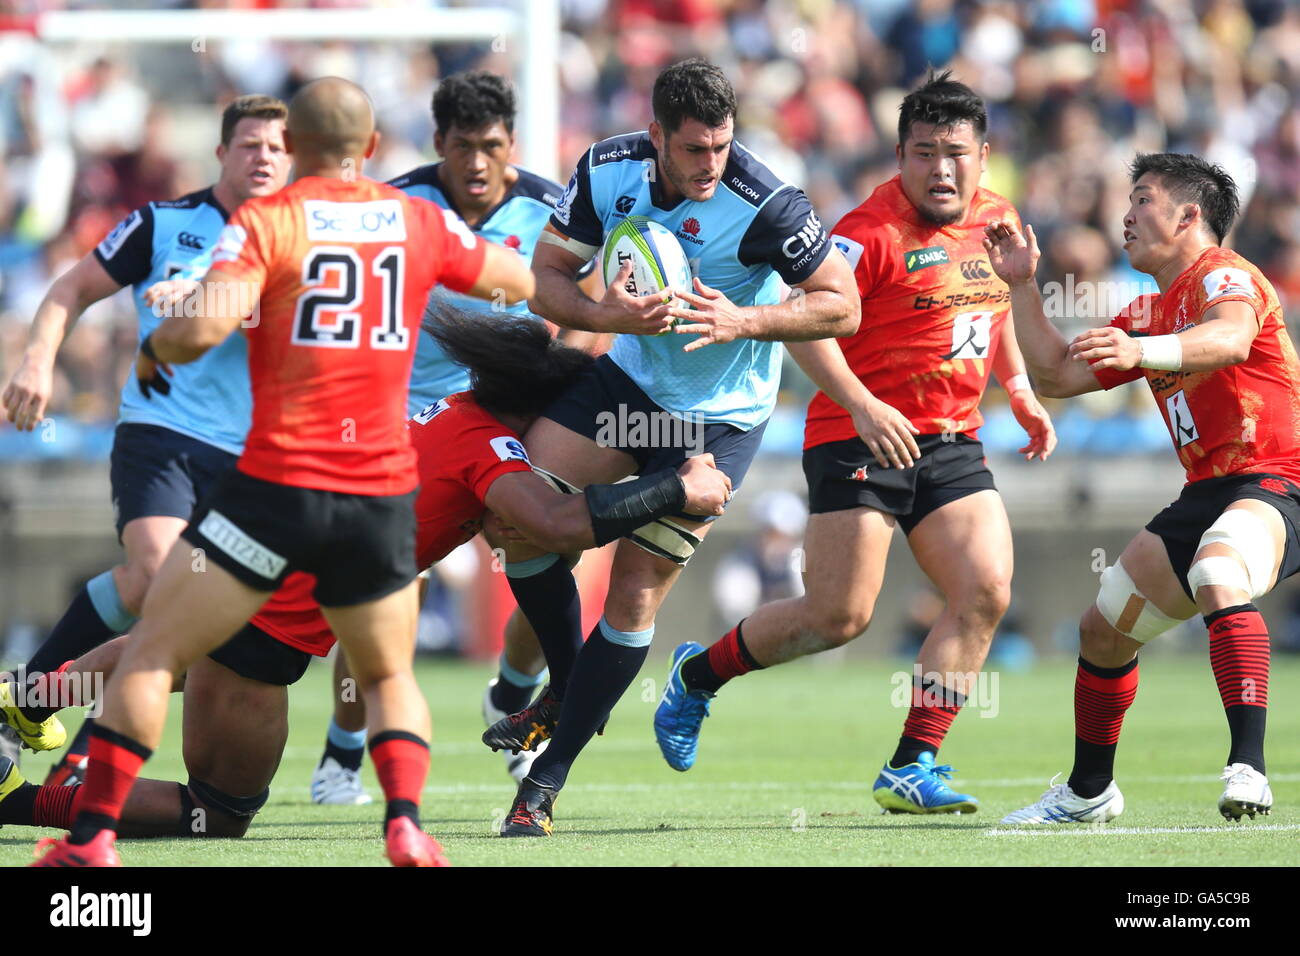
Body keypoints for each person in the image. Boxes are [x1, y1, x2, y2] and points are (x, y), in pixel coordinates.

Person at [27, 76, 537, 868]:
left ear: (294, 148)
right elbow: (517, 280)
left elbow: (209, 324)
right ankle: (404, 824)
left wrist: (165, 343)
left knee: (157, 646)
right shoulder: (417, 221)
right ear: (372, 150)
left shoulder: (273, 220)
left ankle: (86, 836)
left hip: (275, 480)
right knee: (388, 670)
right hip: (372, 487)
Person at [0, 308, 730, 843]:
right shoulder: (493, 451)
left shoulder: (443, 411)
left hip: (237, 545)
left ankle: (26, 701)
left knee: (155, 652)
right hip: (264, 630)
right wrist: (677, 489)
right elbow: (559, 526)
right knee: (216, 813)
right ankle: (17, 801)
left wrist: (568, 677)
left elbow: (536, 561)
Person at [652, 71, 1056, 815]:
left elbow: (988, 307)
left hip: (950, 439)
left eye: (957, 153)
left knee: (986, 590)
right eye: (925, 151)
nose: (942, 168)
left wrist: (1021, 390)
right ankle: (697, 676)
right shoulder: (866, 234)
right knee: (838, 617)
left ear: (985, 155)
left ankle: (913, 762)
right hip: (856, 433)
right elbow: (804, 325)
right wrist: (865, 406)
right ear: (899, 154)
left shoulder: (998, 219)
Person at [486, 57, 860, 836]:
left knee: (631, 595)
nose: (709, 164)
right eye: (693, 149)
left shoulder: (768, 204)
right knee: (515, 516)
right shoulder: (605, 168)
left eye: (721, 147)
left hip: (719, 420)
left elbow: (842, 305)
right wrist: (613, 318)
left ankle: (543, 786)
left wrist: (744, 320)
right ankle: (567, 685)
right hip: (626, 386)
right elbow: (548, 275)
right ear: (655, 135)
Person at [309, 70, 607, 802]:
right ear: (438, 143)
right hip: (402, 415)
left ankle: (511, 695)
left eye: (492, 146)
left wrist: (554, 379)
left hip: (504, 416)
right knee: (388, 584)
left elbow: (587, 306)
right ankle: (346, 748)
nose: (478, 162)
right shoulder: (397, 206)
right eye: (463, 146)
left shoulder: (552, 211)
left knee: (543, 550)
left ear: (512, 146)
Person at [992, 153, 1293, 824]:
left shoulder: (1223, 273)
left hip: (1279, 481)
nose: (1125, 216)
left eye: (1143, 201)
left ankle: (1249, 767)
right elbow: (1057, 378)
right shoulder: (1151, 309)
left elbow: (1234, 336)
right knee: (1102, 630)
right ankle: (1089, 793)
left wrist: (1144, 353)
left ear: (1190, 216)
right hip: (1210, 491)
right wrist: (1022, 285)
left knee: (1219, 567)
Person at [0, 95, 292, 776]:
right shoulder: (163, 223)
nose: (263, 157)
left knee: (156, 597)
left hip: (253, 458)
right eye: (250, 145)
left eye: (277, 148)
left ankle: (30, 700)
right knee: (165, 581)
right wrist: (38, 361)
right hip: (160, 433)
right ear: (222, 153)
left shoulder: (299, 240)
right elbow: (70, 288)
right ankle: (77, 777)